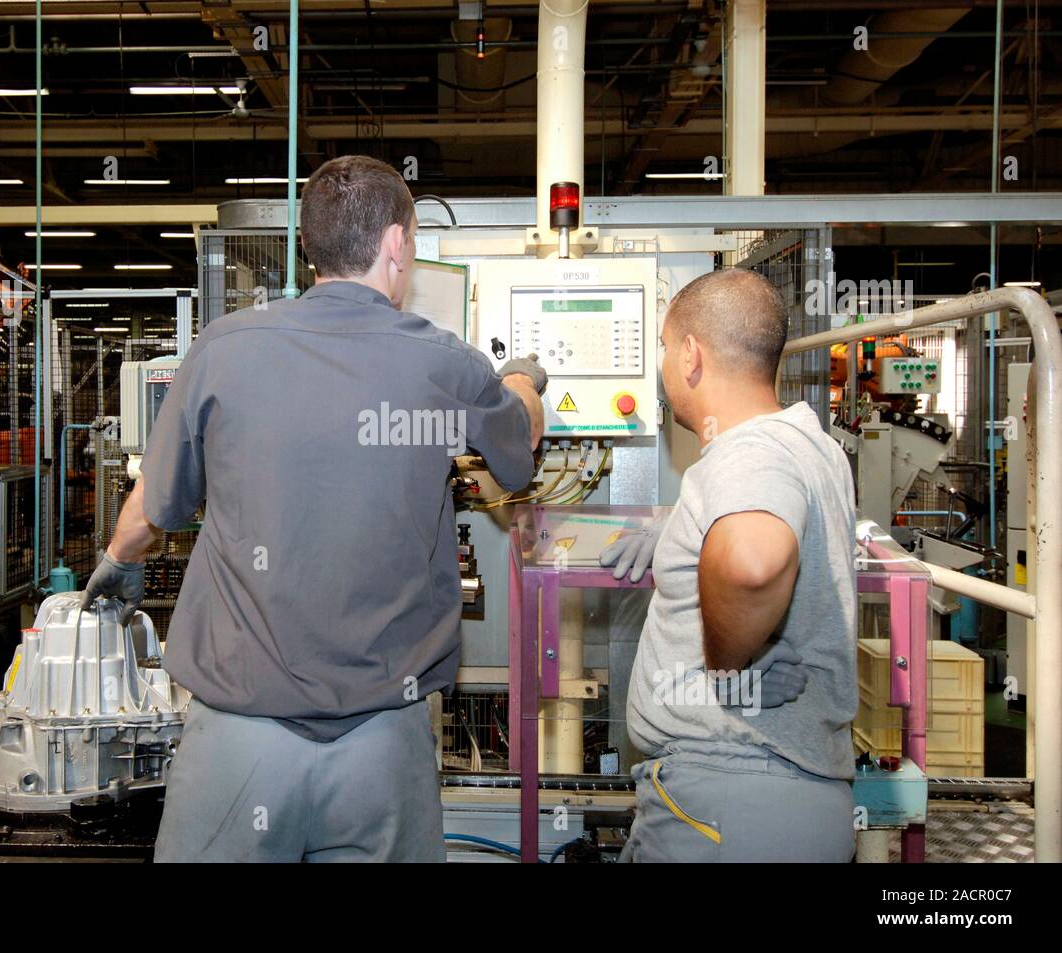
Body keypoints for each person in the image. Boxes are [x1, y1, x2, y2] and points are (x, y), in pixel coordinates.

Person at [80, 154, 546, 862]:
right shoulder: (445, 363)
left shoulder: (222, 347)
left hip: (237, 745)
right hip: (381, 746)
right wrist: (524, 379)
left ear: (309, 246)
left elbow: (156, 505)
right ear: (395, 243)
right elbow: (519, 447)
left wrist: (114, 561)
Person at [599, 268, 858, 862]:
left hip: (728, 806)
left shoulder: (747, 453)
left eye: (665, 350)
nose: (664, 370)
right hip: (800, 801)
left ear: (690, 355)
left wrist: (729, 666)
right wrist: (683, 527)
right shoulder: (810, 444)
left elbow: (751, 562)